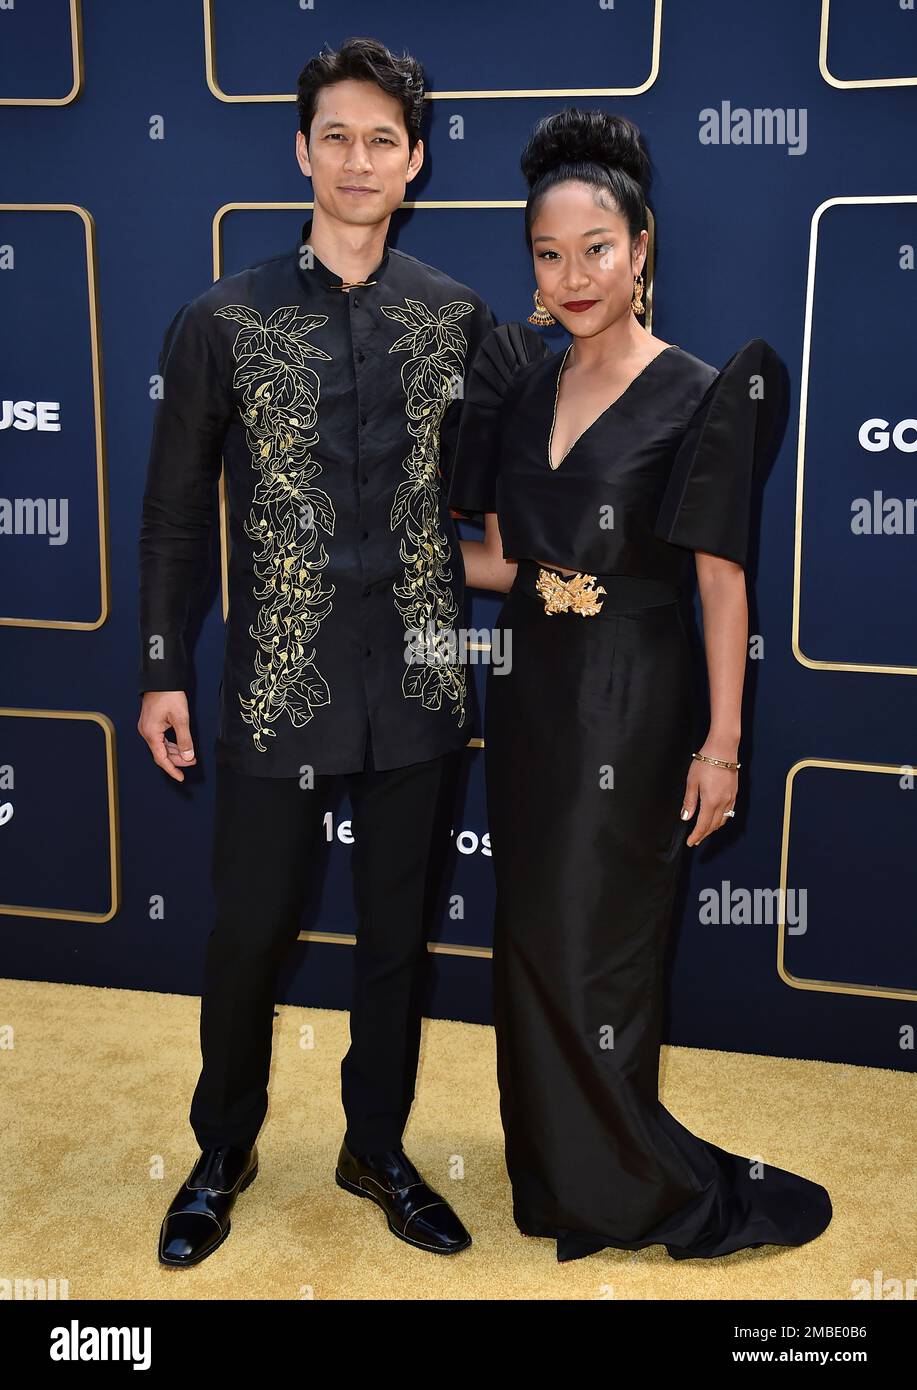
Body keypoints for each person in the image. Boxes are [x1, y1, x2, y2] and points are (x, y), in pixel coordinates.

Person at [447, 108, 833, 1262]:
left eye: (596, 249)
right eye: (548, 255)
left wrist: (720, 744)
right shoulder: (520, 390)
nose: (572, 276)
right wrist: (371, 550)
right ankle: (559, 1175)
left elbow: (720, 581)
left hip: (634, 694)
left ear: (641, 247)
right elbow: (509, 560)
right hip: (528, 691)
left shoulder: (700, 392)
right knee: (530, 937)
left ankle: (628, 1181)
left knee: (594, 942)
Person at [137, 37, 494, 1266]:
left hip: (419, 679)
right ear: (300, 151)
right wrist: (156, 668)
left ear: (415, 163)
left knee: (398, 937)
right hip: (277, 684)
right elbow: (176, 511)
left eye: (380, 140)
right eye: (334, 136)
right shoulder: (219, 320)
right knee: (250, 934)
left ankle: (375, 1148)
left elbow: (519, 480)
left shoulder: (455, 318)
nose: (356, 159)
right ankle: (221, 1147)